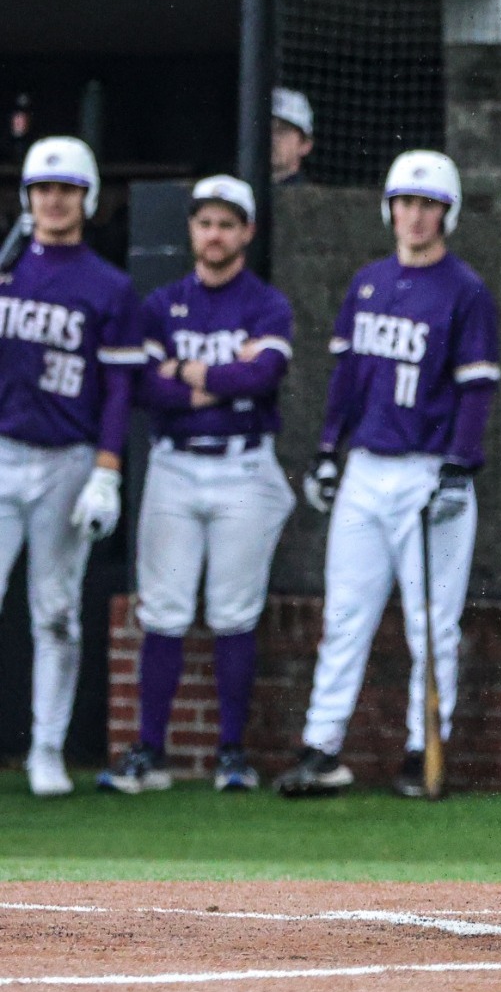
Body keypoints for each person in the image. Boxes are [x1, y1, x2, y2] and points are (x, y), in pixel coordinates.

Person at [274, 150, 500, 799]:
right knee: (346, 612)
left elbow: (476, 390)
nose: (415, 215)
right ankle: (322, 748)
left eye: (428, 204)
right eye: (405, 202)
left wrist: (460, 465)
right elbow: (346, 379)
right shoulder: (367, 281)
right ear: (389, 208)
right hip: (366, 469)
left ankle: (420, 749)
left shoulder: (467, 291)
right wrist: (325, 450)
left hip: (432, 473)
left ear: (447, 214)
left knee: (433, 622)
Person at [98, 176, 295, 795]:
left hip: (243, 464)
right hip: (175, 463)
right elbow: (141, 389)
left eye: (227, 224)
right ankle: (150, 753)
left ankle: (231, 754)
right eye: (205, 222)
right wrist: (215, 378)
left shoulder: (267, 303)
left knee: (236, 615)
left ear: (247, 233)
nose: (215, 234)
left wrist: (183, 371)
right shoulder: (159, 304)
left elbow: (262, 377)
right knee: (164, 612)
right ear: (192, 229)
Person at [0, 137, 143, 796]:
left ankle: (48, 748)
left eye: (65, 189)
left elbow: (118, 389)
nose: (53, 200)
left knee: (55, 610)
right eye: (42, 189)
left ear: (85, 198)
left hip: (67, 456)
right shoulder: (5, 268)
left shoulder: (109, 286)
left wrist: (107, 469)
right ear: (27, 197)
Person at [271, 88, 314, 186]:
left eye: (282, 130)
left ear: (305, 144)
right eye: (267, 129)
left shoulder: (311, 198)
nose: (273, 137)